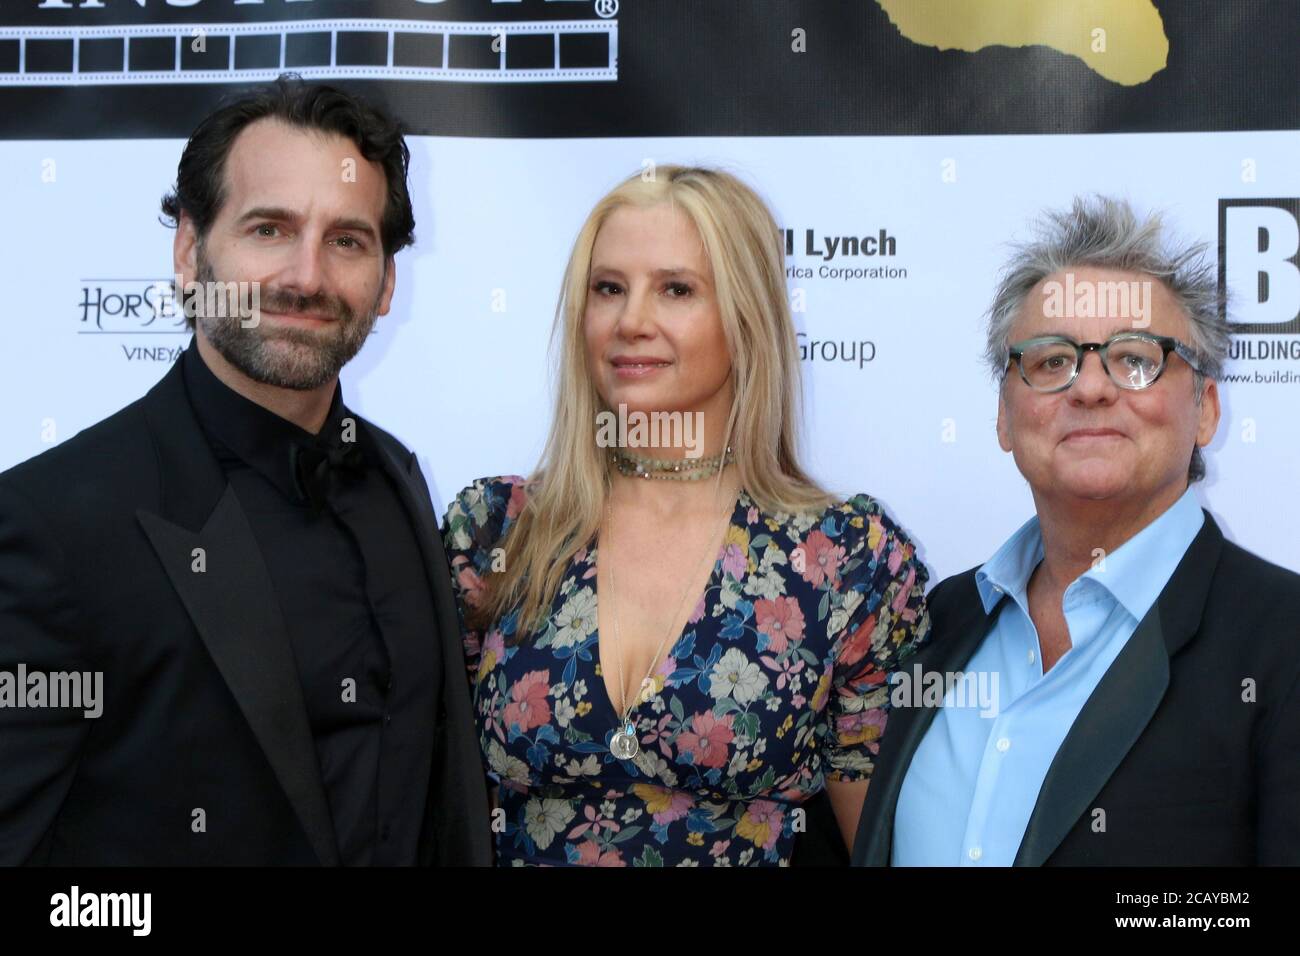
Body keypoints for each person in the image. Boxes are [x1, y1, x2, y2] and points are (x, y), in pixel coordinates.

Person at [0, 75, 490, 865]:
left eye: (348, 240)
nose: (307, 277)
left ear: (388, 281)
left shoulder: (396, 477)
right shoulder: (48, 524)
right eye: (269, 229)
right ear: (191, 253)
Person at [441, 165, 931, 866]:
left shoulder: (845, 557)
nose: (630, 320)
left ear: (745, 317)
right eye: (608, 288)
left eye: (676, 289)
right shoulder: (496, 528)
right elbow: (433, 799)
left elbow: (879, 847)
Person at [853, 196, 1300, 866]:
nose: (1090, 388)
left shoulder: (1284, 641)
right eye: (1052, 360)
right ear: (1005, 416)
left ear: (1206, 409)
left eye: (1136, 357)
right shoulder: (938, 622)